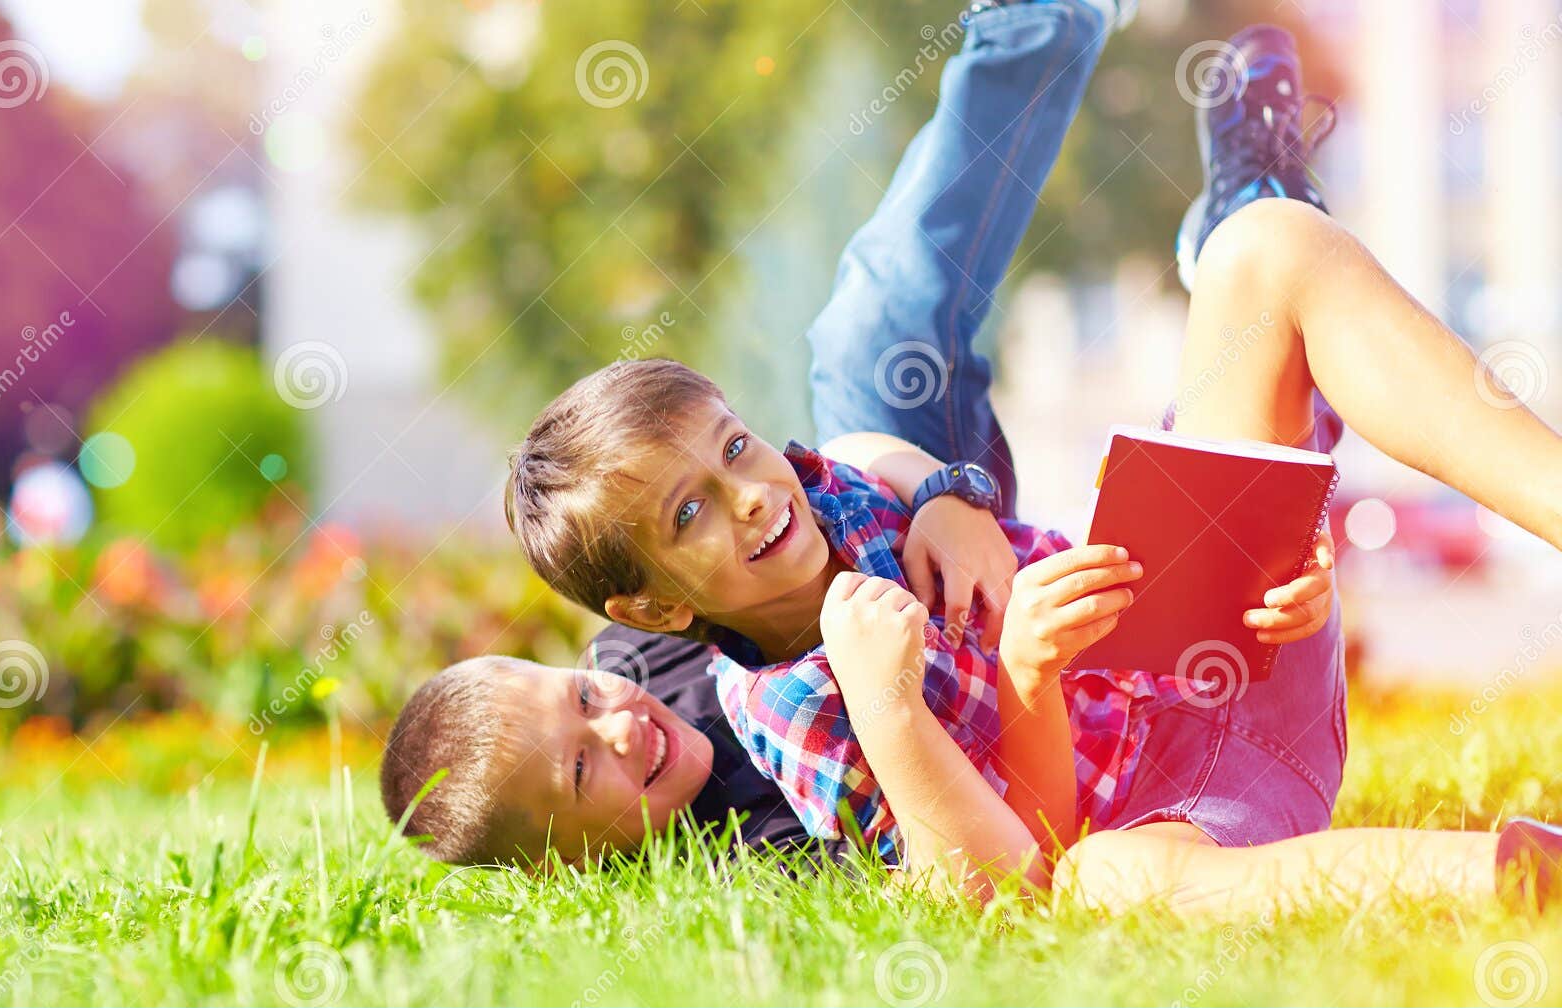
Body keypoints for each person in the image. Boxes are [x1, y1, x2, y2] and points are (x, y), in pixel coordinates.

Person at [504, 22, 1562, 913]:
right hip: (1193, 820)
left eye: (736, 446)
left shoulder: (834, 499)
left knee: (1269, 250)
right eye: (691, 510)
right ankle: (1519, 874)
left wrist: (945, 494)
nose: (751, 493)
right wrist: (975, 690)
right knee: (1105, 881)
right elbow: (1008, 878)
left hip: (1219, 655)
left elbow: (861, 446)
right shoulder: (802, 714)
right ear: (650, 605)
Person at [380, 0, 1123, 868]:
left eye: (584, 696)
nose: (620, 726)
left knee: (865, 341)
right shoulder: (755, 839)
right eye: (581, 772)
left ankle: (1043, 29)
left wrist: (941, 493)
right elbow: (973, 865)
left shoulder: (642, 650)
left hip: (931, 542)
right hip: (1013, 705)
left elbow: (821, 465)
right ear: (562, 859)